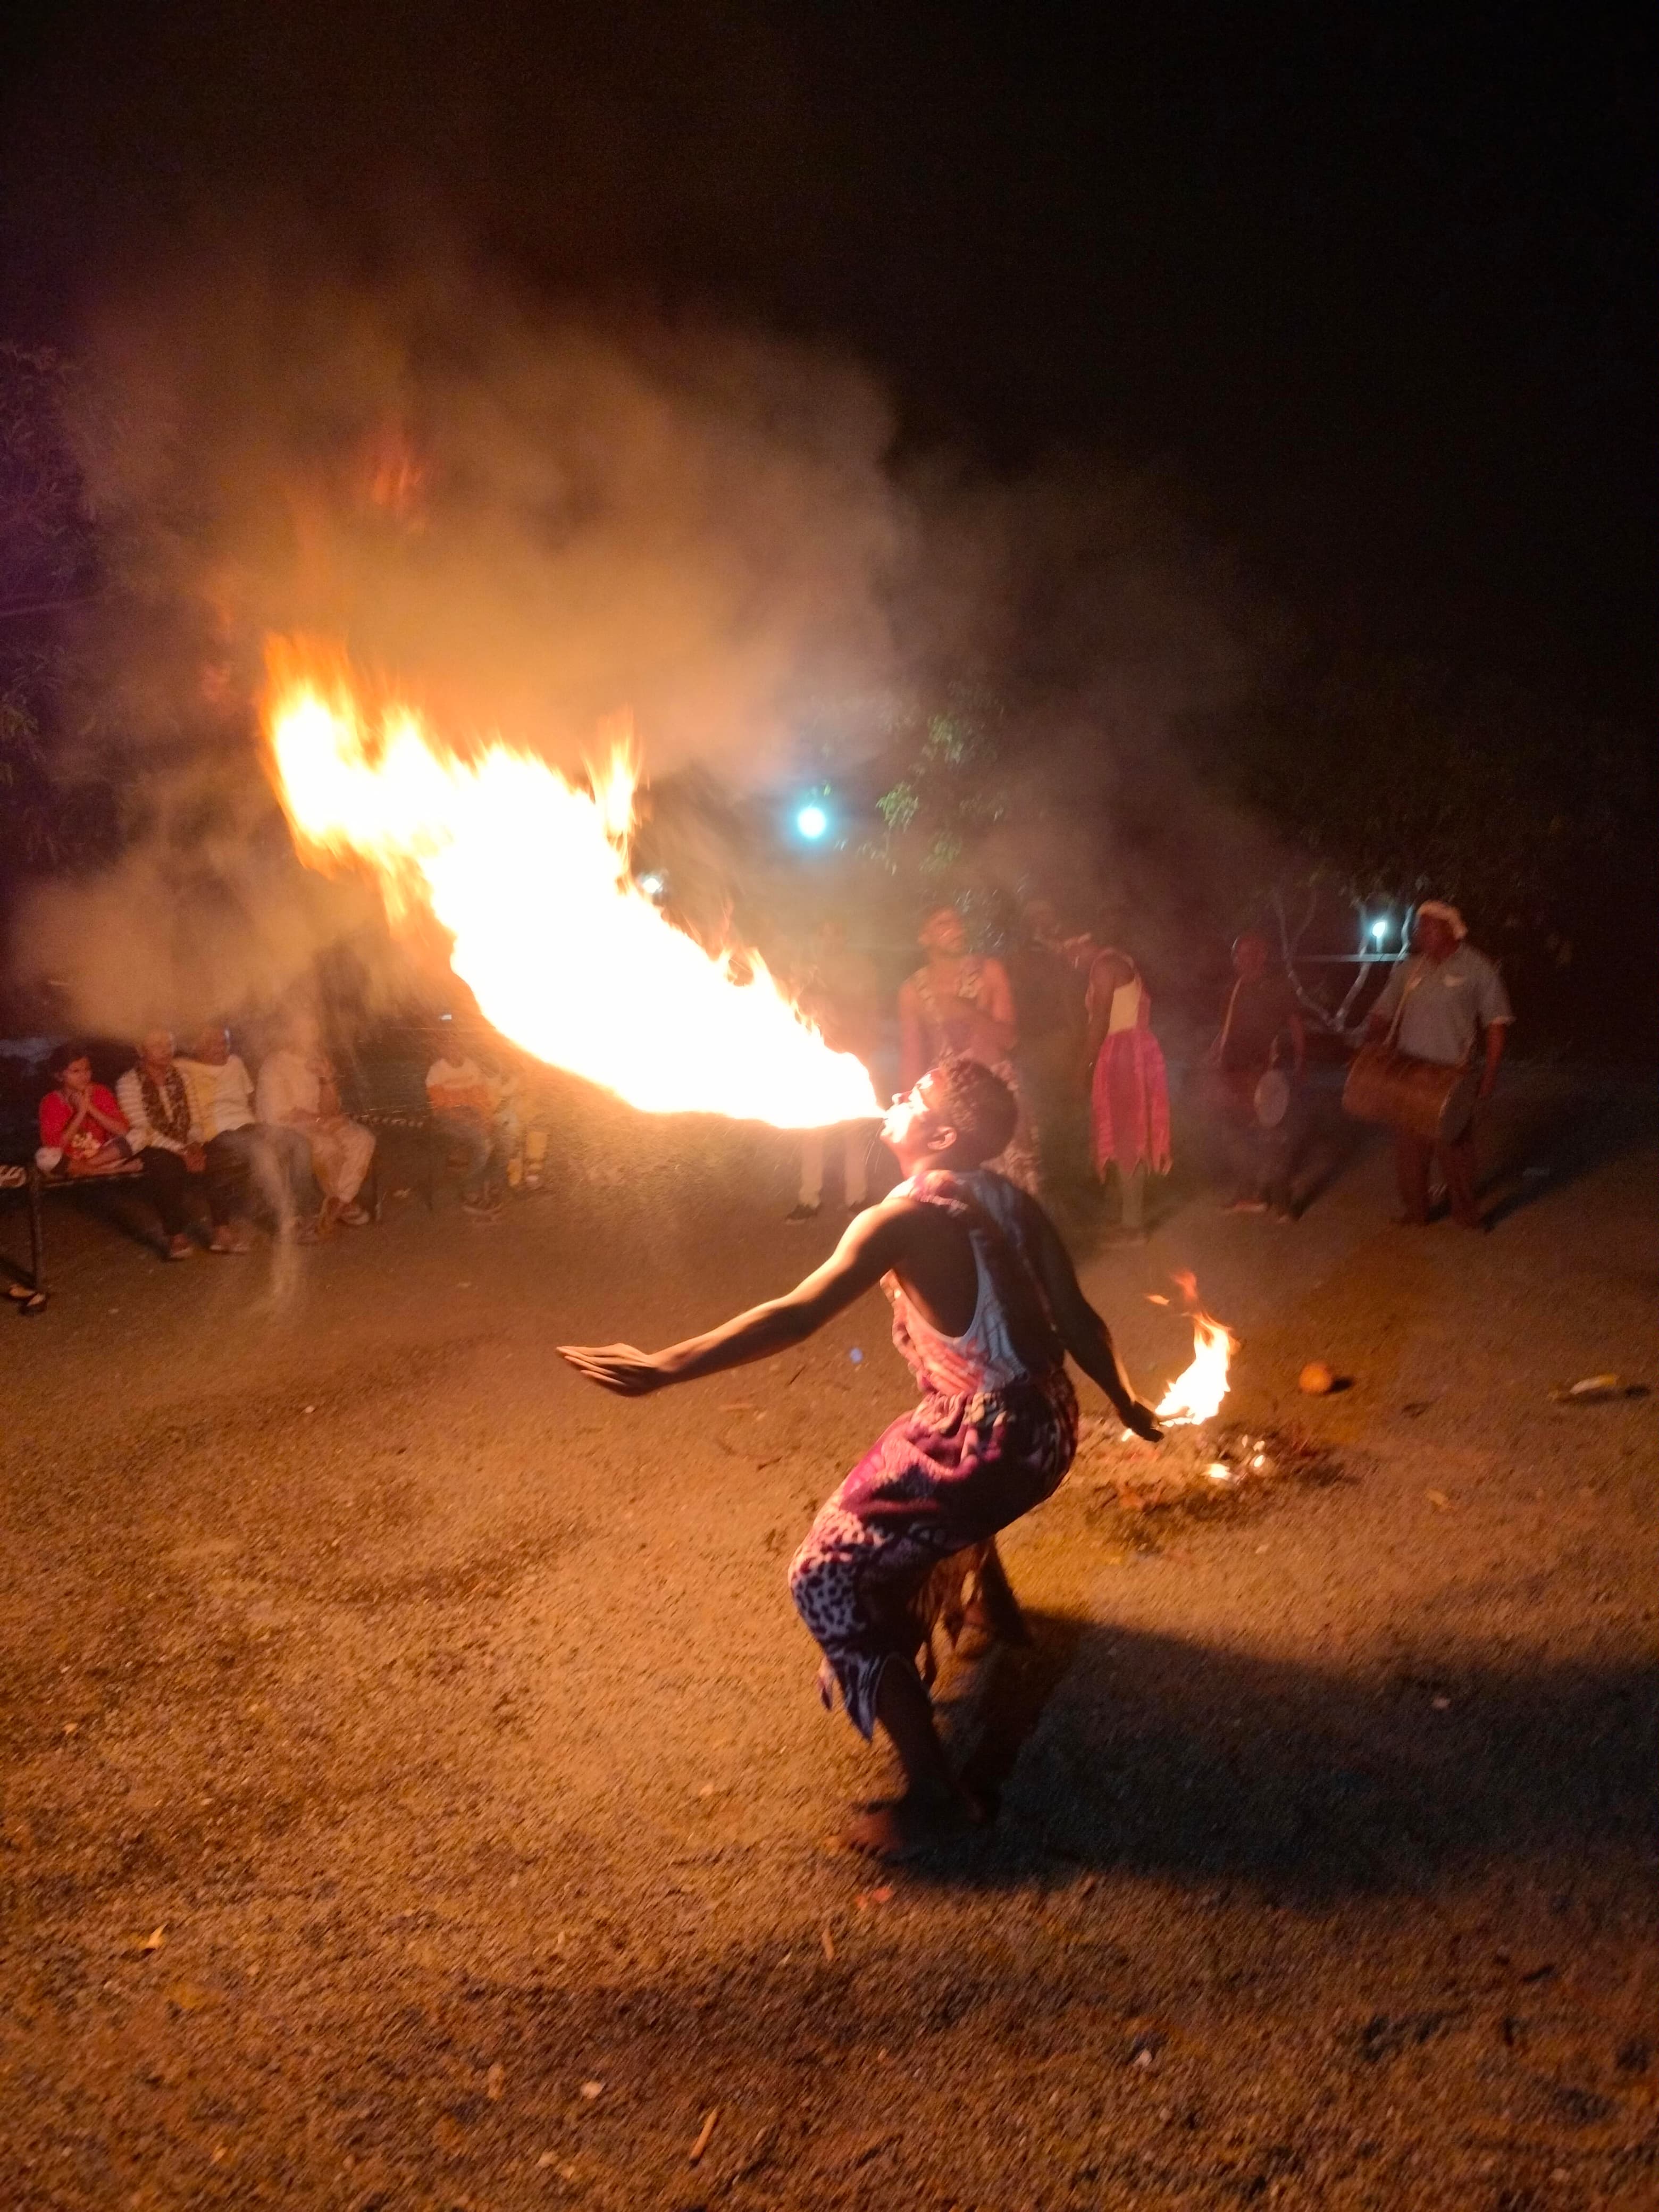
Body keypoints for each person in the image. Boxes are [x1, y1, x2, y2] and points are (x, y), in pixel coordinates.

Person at [560, 1052, 1162, 1861]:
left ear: (942, 1134)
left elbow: (797, 1316)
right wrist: (1123, 1402)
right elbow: (1083, 1323)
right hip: (1049, 1426)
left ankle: (940, 1799)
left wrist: (667, 1367)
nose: (897, 1094)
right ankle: (988, 1601)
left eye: (915, 1096)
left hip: (986, 1443)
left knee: (825, 1574)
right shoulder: (1007, 1198)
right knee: (908, 1475)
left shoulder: (900, 1219)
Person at [1364, 900, 1512, 1230]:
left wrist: (1489, 1074)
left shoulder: (1478, 968)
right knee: (1409, 1150)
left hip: (1451, 1074)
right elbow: (1383, 1010)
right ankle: (1417, 1212)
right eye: (1420, 927)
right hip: (1407, 1072)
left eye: (1429, 926)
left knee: (1455, 1150)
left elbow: (1496, 1026)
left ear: (1450, 928)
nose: (1422, 933)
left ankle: (1466, 1215)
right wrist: (1371, 1039)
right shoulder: (1410, 968)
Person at [898, 905, 1039, 1193]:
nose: (957, 929)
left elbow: (1009, 1039)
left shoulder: (989, 972)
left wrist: (965, 1010)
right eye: (943, 923)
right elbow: (912, 1056)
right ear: (924, 937)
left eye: (958, 922)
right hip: (951, 1103)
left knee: (1015, 1183)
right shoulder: (912, 991)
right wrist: (906, 1105)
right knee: (960, 1187)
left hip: (996, 1094)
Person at [177, 1024, 321, 1242]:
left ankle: (306, 1212)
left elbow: (250, 1099)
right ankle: (286, 1222)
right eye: (214, 1044)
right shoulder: (184, 1069)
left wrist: (267, 1128)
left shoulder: (236, 1063)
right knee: (261, 1151)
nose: (221, 1048)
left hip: (248, 1126)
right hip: (217, 1133)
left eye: (224, 1042)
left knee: (298, 1142)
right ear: (198, 1047)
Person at [113, 1028, 244, 1259]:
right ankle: (176, 1236)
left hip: (186, 1141)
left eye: (169, 1044)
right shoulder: (128, 1082)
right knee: (164, 1166)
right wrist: (182, 1151)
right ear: (139, 1049)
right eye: (158, 1046)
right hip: (152, 1145)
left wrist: (194, 1146)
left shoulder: (182, 1077)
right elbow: (143, 1129)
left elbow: (194, 1120)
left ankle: (221, 1232)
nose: (166, 1051)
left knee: (217, 1156)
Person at [787, 918, 883, 1224]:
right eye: (823, 932)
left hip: (851, 1054)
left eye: (835, 932)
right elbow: (793, 1009)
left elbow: (870, 1009)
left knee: (853, 1129)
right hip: (816, 1058)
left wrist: (865, 1048)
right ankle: (809, 1198)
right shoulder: (805, 968)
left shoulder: (860, 967)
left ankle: (856, 1197)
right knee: (812, 1131)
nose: (829, 940)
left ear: (844, 937)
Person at [1209, 932, 1306, 1220]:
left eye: (1250, 953)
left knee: (1274, 1136)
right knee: (1236, 1133)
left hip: (1266, 1070)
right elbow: (1228, 1026)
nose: (1242, 960)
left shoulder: (1278, 986)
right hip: (1235, 1070)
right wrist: (1214, 1052)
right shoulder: (1236, 987)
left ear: (1263, 955)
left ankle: (1282, 1202)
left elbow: (1296, 1025)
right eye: (1238, 954)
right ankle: (1250, 1193)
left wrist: (1301, 1062)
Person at [255, 1012, 376, 1230]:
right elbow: (277, 1114)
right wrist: (320, 1120)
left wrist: (327, 1079)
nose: (309, 1036)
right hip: (286, 1129)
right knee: (326, 1145)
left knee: (362, 1139)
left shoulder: (319, 1061)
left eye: (313, 1030)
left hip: (318, 1123)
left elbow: (331, 1110)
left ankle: (338, 1203)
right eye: (302, 1030)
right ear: (289, 1034)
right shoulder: (274, 1065)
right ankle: (342, 1204)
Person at [1083, 946, 1171, 1241]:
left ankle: (1133, 1227)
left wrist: (1084, 1065)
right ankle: (1127, 1218)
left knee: (1126, 1137)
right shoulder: (1126, 962)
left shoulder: (1106, 965)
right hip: (1138, 1052)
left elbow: (1099, 1021)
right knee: (1132, 1133)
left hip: (1122, 1055)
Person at [1007, 900, 1090, 1193]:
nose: (1041, 920)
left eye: (1046, 914)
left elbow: (1072, 996)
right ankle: (1052, 1187)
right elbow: (1014, 999)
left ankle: (1075, 1187)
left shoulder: (1064, 953)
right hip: (1032, 1045)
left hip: (1059, 1040)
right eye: (1035, 915)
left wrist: (1078, 1040)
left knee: (1066, 1113)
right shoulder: (1021, 956)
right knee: (1041, 1118)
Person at [425, 1038, 507, 1216]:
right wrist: (472, 1121)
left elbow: (481, 1100)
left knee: (503, 1134)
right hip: (447, 1118)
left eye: (458, 1046)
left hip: (473, 1116)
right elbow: (441, 1107)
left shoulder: (471, 1067)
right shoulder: (437, 1071)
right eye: (450, 1046)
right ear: (443, 1049)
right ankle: (470, 1191)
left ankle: (492, 1184)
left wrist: (485, 1118)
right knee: (483, 1144)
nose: (455, 1051)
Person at [38, 1044, 131, 1174]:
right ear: (59, 1076)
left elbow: (123, 1131)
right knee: (44, 1156)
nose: (84, 1076)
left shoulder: (100, 1092)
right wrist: (80, 1113)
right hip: (70, 1159)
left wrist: (90, 1108)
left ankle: (84, 1170)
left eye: (87, 1070)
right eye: (76, 1071)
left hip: (104, 1156)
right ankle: (108, 1172)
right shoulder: (50, 1101)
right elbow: (54, 1146)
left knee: (138, 1137)